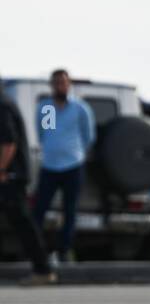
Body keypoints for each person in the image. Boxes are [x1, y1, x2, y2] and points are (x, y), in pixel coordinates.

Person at [33, 69, 96, 264]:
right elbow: (45, 134)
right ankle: (37, 250)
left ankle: (64, 250)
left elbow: (88, 137)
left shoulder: (79, 108)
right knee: (39, 210)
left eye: (63, 82)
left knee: (69, 211)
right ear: (51, 85)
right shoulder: (47, 108)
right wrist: (55, 150)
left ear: (69, 84)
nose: (60, 85)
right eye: (56, 82)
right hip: (50, 166)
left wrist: (74, 153)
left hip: (72, 166)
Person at [0, 81, 56, 284]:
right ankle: (43, 268)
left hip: (10, 176)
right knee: (24, 224)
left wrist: (2, 169)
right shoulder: (44, 106)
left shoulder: (4, 105)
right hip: (22, 171)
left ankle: (43, 269)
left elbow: (9, 141)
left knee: (24, 224)